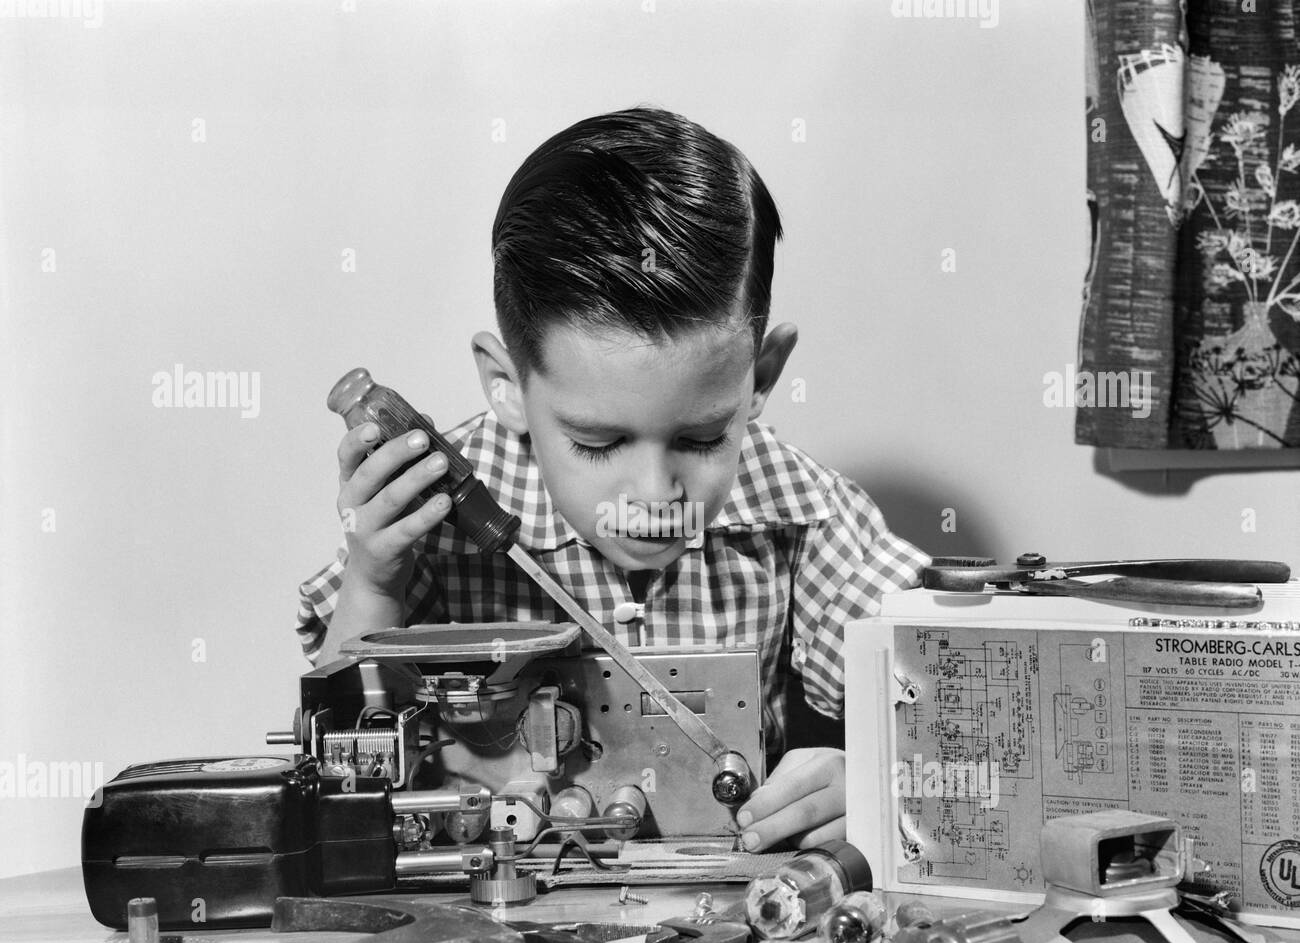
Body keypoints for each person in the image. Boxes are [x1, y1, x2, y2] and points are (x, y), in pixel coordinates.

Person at [297, 107, 927, 851]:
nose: (655, 496)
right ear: (507, 385)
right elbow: (323, 771)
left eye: (701, 436)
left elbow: (961, 695)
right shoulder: (432, 514)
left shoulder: (805, 516)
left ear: (761, 377)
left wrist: (886, 783)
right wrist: (375, 579)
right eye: (598, 442)